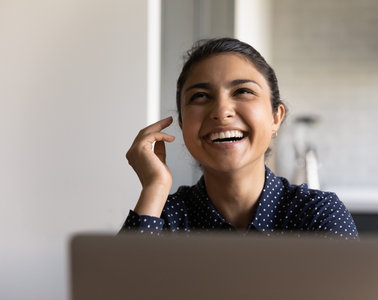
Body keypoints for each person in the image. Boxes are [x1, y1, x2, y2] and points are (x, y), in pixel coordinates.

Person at [120, 37, 358, 239]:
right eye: (201, 96)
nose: (221, 112)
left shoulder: (317, 214)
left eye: (243, 91)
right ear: (182, 124)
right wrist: (155, 187)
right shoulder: (161, 219)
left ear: (276, 117)